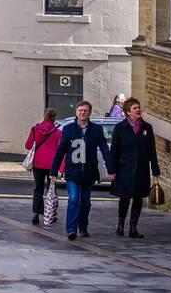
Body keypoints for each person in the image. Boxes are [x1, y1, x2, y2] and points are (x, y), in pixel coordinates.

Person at [51, 100, 113, 240]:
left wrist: (110, 167)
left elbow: (104, 148)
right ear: (76, 112)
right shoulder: (68, 129)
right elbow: (60, 150)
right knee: (73, 199)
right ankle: (71, 229)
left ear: (89, 112)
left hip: (89, 172)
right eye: (80, 110)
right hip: (72, 171)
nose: (82, 113)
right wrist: (53, 171)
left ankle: (83, 226)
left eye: (85, 110)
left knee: (85, 201)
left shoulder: (96, 129)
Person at [108, 98, 160, 238]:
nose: (138, 110)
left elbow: (152, 150)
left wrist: (155, 170)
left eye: (138, 107)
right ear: (127, 112)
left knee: (138, 199)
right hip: (124, 169)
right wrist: (111, 169)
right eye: (134, 108)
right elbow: (114, 150)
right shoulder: (120, 128)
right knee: (124, 198)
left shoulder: (146, 128)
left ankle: (133, 227)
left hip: (141, 169)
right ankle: (120, 224)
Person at [24, 107, 62, 225]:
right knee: (52, 189)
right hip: (52, 165)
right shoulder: (57, 132)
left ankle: (36, 213)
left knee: (38, 188)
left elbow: (28, 145)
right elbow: (60, 149)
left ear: (44, 116)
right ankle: (52, 213)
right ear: (54, 117)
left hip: (38, 163)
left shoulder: (35, 129)